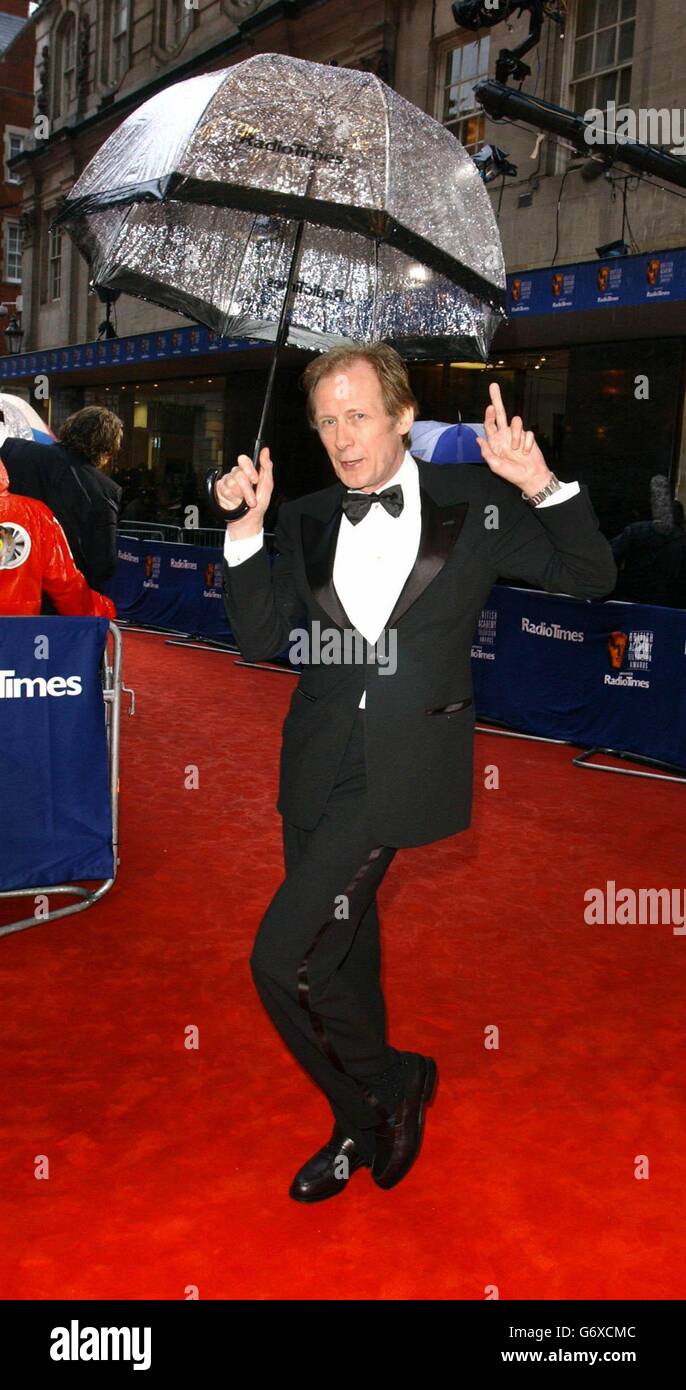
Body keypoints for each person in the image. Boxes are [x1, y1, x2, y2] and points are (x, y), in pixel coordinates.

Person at [218, 344, 617, 1203]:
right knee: (344, 952)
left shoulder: (476, 504)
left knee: (283, 960)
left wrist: (540, 482)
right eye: (326, 420)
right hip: (314, 766)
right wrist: (247, 528)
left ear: (402, 415)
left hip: (400, 770)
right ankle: (357, 1124)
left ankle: (389, 1084)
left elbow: (593, 574)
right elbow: (258, 638)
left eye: (358, 414)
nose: (342, 437)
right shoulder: (310, 513)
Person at [0, 405, 123, 589]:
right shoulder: (104, 490)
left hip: (10, 575)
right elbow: (103, 563)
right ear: (107, 449)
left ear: (70, 427)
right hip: (59, 596)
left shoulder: (16, 450)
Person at [0, 460, 116, 618]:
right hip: (18, 634)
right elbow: (66, 584)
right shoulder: (34, 514)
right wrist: (102, 609)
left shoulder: (35, 515)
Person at [611, 475, 686, 608]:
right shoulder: (681, 540)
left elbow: (610, 556)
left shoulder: (636, 530)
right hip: (667, 604)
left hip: (629, 598)